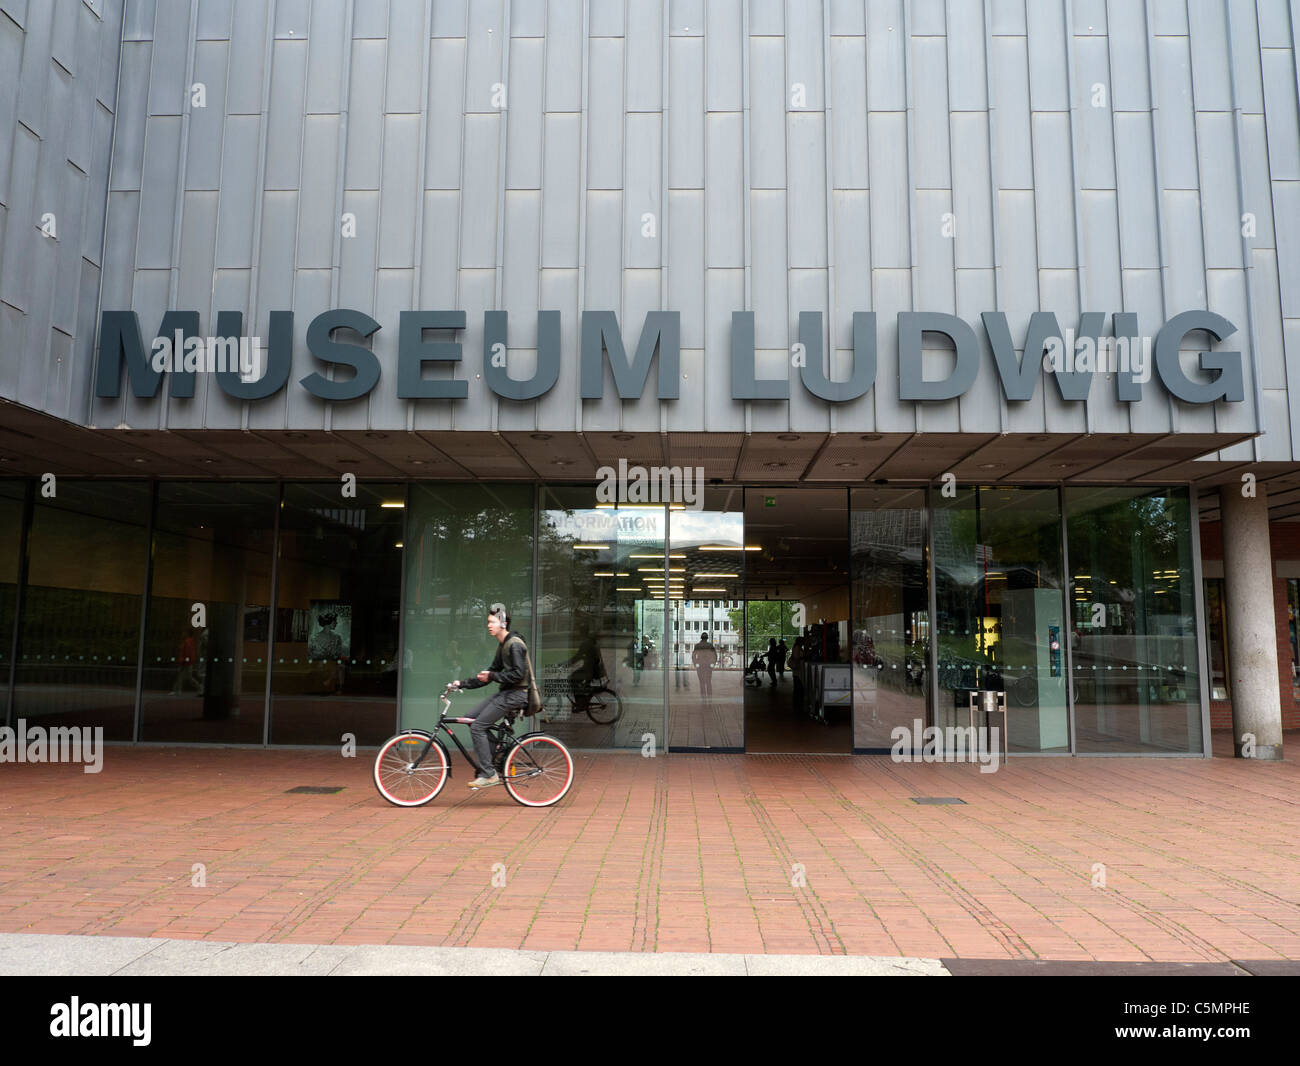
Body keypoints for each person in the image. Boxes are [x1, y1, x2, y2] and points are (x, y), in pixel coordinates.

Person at [450, 603, 530, 788]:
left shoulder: (514, 645)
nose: (488, 625)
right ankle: (497, 756)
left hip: (517, 695)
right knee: (470, 719)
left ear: (503, 623)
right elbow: (489, 674)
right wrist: (462, 683)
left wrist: (493, 676)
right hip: (507, 693)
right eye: (488, 622)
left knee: (478, 727)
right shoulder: (503, 645)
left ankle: (489, 774)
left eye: (492, 621)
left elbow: (518, 674)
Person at [560, 622, 604, 714]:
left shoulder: (586, 643)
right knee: (577, 681)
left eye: (580, 631)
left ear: (582, 632)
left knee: (572, 679)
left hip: (589, 670)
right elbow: (584, 656)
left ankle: (580, 704)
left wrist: (565, 664)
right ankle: (582, 700)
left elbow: (578, 656)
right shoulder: (589, 641)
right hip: (591, 669)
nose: (579, 633)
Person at [692, 631, 718, 696]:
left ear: (701, 638)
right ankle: (709, 694)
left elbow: (693, 656)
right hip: (708, 665)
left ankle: (703, 694)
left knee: (701, 681)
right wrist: (713, 664)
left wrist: (696, 664)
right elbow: (714, 655)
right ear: (707, 638)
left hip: (700, 665)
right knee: (708, 681)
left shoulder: (697, 646)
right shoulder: (710, 645)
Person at [790, 636, 806, 713]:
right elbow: (797, 657)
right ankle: (798, 702)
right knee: (798, 685)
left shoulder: (796, 647)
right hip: (798, 669)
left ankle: (797, 701)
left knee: (797, 685)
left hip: (797, 669)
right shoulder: (797, 648)